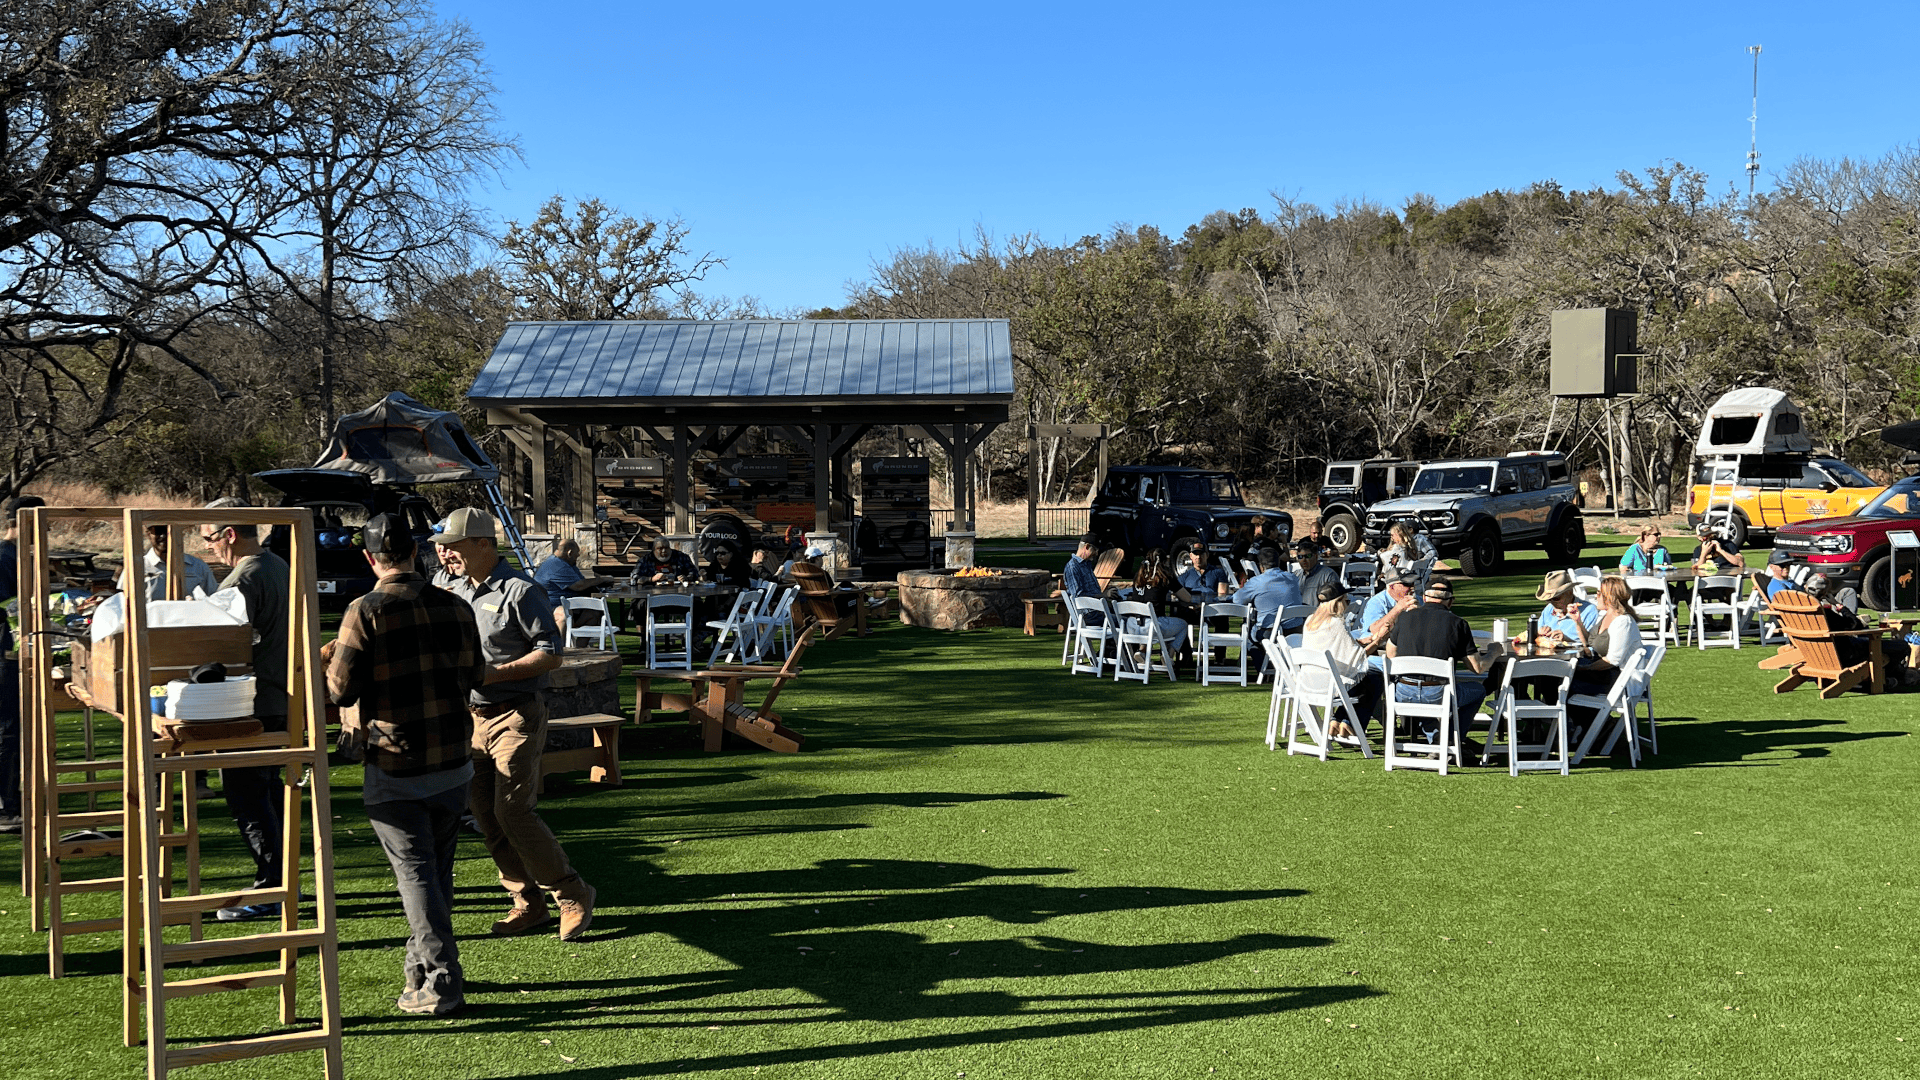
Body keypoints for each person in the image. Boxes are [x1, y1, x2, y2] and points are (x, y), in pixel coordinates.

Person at [324, 513, 485, 1016]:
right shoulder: (457, 605)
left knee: (417, 877)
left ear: (370, 558)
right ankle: (420, 973)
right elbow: (477, 674)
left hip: (396, 762)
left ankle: (441, 981)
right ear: (416, 553)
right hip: (454, 758)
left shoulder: (365, 609)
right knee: (435, 874)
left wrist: (330, 656)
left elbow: (339, 689)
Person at [432, 507, 597, 942]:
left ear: (484, 544)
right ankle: (527, 903)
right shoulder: (445, 586)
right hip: (468, 719)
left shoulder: (520, 590)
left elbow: (550, 652)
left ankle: (572, 892)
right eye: (441, 547)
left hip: (515, 715)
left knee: (513, 811)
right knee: (486, 814)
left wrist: (494, 674)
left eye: (453, 546)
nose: (444, 554)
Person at [198, 498, 293, 920]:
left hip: (252, 703)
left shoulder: (246, 577)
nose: (209, 548)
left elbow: (222, 647)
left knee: (250, 799)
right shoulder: (276, 566)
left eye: (209, 539)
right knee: (268, 796)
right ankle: (279, 882)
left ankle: (271, 888)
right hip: (278, 698)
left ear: (229, 535)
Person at [1385, 578, 1489, 755]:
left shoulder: (1404, 618)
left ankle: (1437, 739)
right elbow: (1477, 668)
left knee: (1426, 697)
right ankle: (1451, 741)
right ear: (1451, 601)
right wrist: (1494, 652)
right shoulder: (1458, 624)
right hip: (1437, 694)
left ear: (1424, 598)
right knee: (1477, 691)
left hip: (1402, 692)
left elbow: (1391, 654)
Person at [0, 495, 47, 834]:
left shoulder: (20, 556)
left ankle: (14, 802)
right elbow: (12, 606)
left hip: (15, 653)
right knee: (8, 730)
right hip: (5, 654)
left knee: (14, 730)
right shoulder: (5, 557)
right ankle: (7, 807)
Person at [1299, 581, 1385, 738]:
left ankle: (1338, 720)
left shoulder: (1310, 621)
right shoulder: (1336, 623)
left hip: (1310, 680)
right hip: (1329, 684)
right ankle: (1350, 724)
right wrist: (1378, 640)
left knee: (1366, 682)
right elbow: (1357, 658)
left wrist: (1362, 641)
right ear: (1337, 603)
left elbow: (1333, 645)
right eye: (1346, 600)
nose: (1348, 604)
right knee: (1374, 678)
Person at [1566, 576, 1646, 743]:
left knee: (1562, 686)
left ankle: (1597, 728)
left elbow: (1612, 660)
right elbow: (1590, 644)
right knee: (1558, 681)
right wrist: (1577, 622)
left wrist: (1583, 669)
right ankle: (1593, 728)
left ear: (1609, 597)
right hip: (1603, 672)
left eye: (1598, 593)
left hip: (1618, 679)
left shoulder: (1622, 621)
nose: (1595, 596)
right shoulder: (1604, 616)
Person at [118, 523, 221, 602]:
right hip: (150, 628)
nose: (163, 536)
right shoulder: (135, 568)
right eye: (158, 531)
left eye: (168, 531)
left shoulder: (198, 567)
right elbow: (123, 603)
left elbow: (214, 599)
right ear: (148, 535)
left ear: (179, 534)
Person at [1118, 549, 1193, 653]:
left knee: (1149, 618)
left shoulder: (1138, 576)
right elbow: (1187, 598)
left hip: (1132, 626)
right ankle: (1168, 656)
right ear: (1163, 562)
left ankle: (1142, 651)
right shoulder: (1165, 576)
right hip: (1152, 627)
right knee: (1183, 625)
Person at [1232, 547, 1305, 638]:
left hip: (1268, 634)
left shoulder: (1256, 582)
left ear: (1261, 566)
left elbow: (1237, 600)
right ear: (1278, 563)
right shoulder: (1293, 578)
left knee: (1248, 625)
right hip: (1295, 633)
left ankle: (1250, 651)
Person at [1533, 570, 1603, 651]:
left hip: (1576, 659)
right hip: (1547, 656)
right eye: (1548, 599)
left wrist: (1567, 638)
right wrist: (1539, 633)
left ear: (1569, 592)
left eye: (1556, 598)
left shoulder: (1588, 610)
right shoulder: (1549, 609)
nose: (1552, 603)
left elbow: (1591, 643)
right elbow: (1535, 635)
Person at [1292, 539, 1339, 609]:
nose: (1304, 560)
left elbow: (1334, 604)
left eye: (1308, 556)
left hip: (1319, 617)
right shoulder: (1295, 576)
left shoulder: (1328, 575)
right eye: (1300, 557)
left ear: (1316, 556)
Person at [630, 538, 696, 584]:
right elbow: (634, 577)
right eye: (660, 548)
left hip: (678, 592)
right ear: (654, 549)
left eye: (666, 548)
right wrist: (651, 579)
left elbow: (695, 573)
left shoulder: (681, 557)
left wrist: (687, 578)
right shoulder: (645, 560)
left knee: (696, 602)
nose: (664, 551)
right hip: (652, 593)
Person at [1061, 534, 1104, 601]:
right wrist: (1104, 595)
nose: (1096, 554)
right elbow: (1078, 596)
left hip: (1098, 606)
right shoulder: (1072, 567)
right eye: (1095, 550)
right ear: (1087, 547)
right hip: (1088, 609)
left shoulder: (1087, 564)